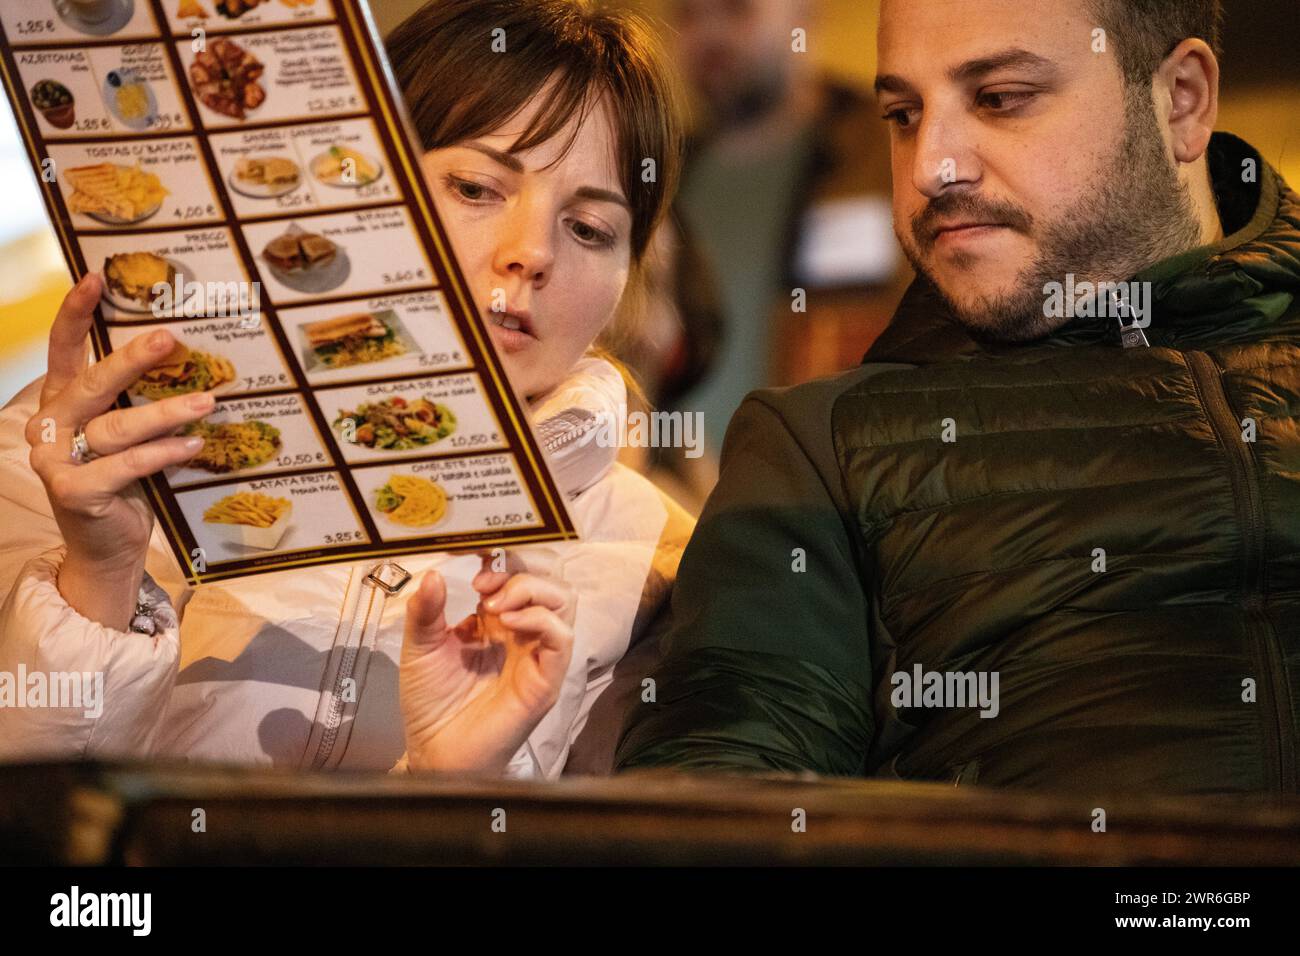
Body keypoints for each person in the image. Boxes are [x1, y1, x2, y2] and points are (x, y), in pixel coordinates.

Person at [616, 0, 1300, 794]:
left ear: (1181, 98)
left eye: (999, 98)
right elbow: (716, 807)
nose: (929, 168)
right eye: (903, 114)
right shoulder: (821, 450)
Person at [0, 0, 692, 778]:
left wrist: (443, 786)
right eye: (473, 187)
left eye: (591, 230)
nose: (530, 252)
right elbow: (36, 832)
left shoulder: (657, 564)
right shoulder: (71, 449)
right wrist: (98, 576)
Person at [665, 0, 908, 478]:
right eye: (688, 15)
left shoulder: (887, 153)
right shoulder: (661, 173)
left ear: (806, 15)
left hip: (840, 505)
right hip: (682, 511)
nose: (710, 35)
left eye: (737, 11)